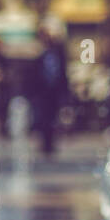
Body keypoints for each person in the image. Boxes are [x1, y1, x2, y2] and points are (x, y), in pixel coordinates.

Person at [33, 26, 69, 156]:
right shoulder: (39, 54)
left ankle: (51, 143)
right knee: (43, 118)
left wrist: (65, 94)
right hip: (42, 94)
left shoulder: (58, 54)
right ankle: (45, 144)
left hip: (55, 93)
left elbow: (63, 75)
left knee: (53, 118)